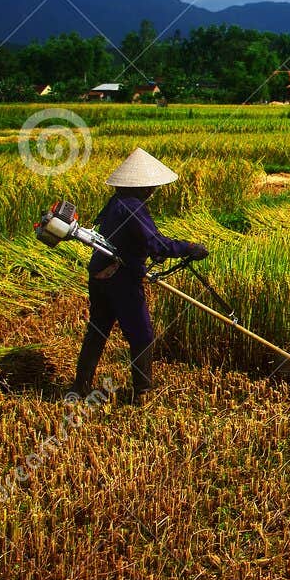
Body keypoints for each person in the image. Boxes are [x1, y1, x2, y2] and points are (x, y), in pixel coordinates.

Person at [72, 148, 208, 400]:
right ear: (144, 186)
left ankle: (79, 387)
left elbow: (131, 239)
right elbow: (158, 244)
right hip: (120, 279)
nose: (154, 190)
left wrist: (148, 252)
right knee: (142, 333)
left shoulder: (116, 202)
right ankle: (143, 391)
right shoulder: (134, 207)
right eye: (152, 186)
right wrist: (190, 248)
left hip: (99, 274)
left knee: (98, 330)